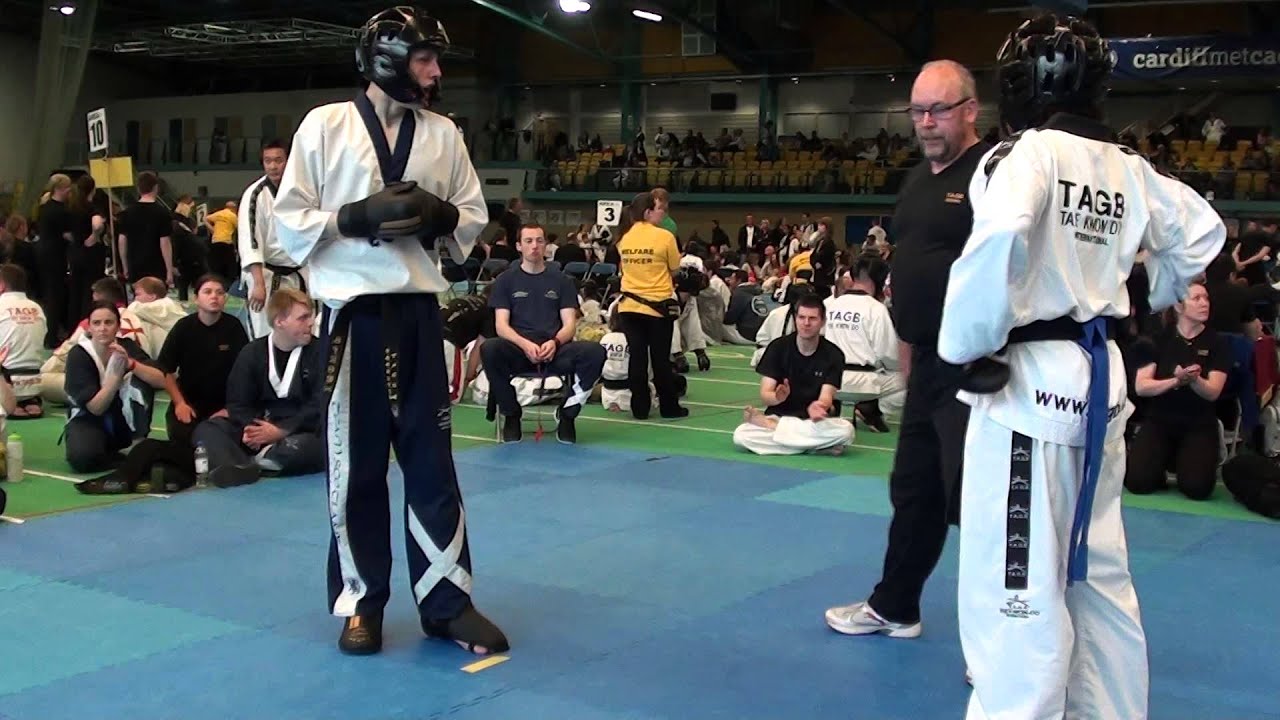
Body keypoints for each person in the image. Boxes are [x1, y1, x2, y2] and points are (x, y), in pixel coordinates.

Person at [936, 15, 1225, 719]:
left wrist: (967, 344)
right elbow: (1202, 233)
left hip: (1032, 385)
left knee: (1019, 587)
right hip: (1102, 381)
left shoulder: (1026, 157)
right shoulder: (1129, 168)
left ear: (1026, 84)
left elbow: (1000, 234)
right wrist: (1140, 297)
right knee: (1096, 574)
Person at [273, 5, 507, 657]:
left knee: (433, 464)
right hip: (353, 320)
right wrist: (350, 218)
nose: (434, 73)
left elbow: (471, 223)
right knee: (357, 470)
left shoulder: (443, 134)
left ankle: (447, 604)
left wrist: (440, 216)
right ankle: (361, 602)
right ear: (388, 61)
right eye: (425, 59)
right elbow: (286, 224)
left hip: (418, 317)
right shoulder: (325, 126)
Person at [825, 59, 988, 641]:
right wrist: (908, 350)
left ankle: (1003, 644)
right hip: (927, 360)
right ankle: (896, 605)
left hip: (980, 369)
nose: (925, 122)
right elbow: (914, 273)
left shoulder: (993, 176)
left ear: (970, 109)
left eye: (937, 109)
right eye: (917, 110)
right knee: (914, 487)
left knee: (982, 504)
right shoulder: (918, 179)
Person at [481, 223, 606, 444]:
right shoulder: (505, 281)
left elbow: (569, 325)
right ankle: (511, 413)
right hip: (518, 350)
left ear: (546, 245)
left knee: (595, 352)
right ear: (519, 246)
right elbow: (501, 325)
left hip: (555, 350)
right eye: (528, 241)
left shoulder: (561, 280)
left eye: (539, 241)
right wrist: (524, 345)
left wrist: (555, 342)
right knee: (489, 349)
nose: (534, 246)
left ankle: (567, 414)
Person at [193, 288, 325, 488]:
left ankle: (250, 462)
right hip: (259, 428)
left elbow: (320, 404)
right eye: (302, 318)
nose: (311, 323)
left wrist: (281, 431)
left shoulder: (321, 353)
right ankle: (240, 465)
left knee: (314, 447)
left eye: (310, 317)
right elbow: (237, 402)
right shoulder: (252, 353)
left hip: (300, 432)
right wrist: (253, 430)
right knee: (208, 428)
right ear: (280, 321)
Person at [1124, 281, 1230, 499]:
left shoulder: (1217, 342)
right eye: (1196, 298)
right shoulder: (1157, 338)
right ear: (1179, 306)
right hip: (1159, 420)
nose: (1204, 304)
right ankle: (1160, 463)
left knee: (1197, 489)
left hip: (1199, 423)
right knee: (1137, 483)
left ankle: (1184, 461)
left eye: (1206, 298)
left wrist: (1194, 380)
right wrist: (1176, 381)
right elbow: (1142, 387)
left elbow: (1213, 392)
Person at [732, 293, 852, 455]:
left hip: (812, 423)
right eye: (801, 317)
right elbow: (765, 395)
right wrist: (777, 397)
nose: (806, 323)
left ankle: (777, 431)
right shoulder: (778, 347)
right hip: (778, 416)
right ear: (795, 319)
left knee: (846, 430)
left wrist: (820, 406)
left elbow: (826, 396)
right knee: (741, 435)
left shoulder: (833, 354)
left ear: (823, 322)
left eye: (812, 318)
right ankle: (812, 447)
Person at [62, 302, 167, 473]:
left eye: (108, 323)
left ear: (118, 326)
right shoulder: (79, 354)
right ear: (89, 328)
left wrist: (131, 364)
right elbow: (96, 408)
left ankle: (137, 440)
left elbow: (161, 380)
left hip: (122, 420)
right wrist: (115, 377)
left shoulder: (127, 347)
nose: (103, 328)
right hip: (88, 419)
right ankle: (111, 453)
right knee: (83, 459)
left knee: (141, 378)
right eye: (97, 323)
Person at [615, 191, 687, 419]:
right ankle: (668, 406)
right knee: (660, 360)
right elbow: (675, 269)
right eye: (659, 210)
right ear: (647, 212)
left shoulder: (623, 239)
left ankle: (639, 407)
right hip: (657, 306)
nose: (662, 214)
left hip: (629, 306)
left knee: (637, 359)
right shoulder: (665, 237)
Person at [157, 275, 249, 452]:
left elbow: (245, 373)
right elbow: (166, 370)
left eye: (219, 293)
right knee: (185, 443)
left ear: (225, 299)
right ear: (196, 298)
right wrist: (179, 403)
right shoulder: (183, 328)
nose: (214, 296)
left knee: (239, 441)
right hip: (190, 405)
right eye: (207, 292)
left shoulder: (234, 327)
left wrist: (231, 409)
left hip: (224, 405)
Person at [822, 256, 905, 431]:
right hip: (864, 383)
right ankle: (874, 408)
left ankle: (838, 404)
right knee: (910, 377)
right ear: (880, 281)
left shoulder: (832, 305)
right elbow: (887, 353)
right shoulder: (876, 308)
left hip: (829, 382)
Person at [239, 140, 306, 339]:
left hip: (298, 272)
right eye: (268, 161)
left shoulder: (301, 189)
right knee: (265, 333)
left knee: (303, 328)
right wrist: (258, 283)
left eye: (278, 160)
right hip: (266, 275)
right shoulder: (255, 194)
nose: (273, 166)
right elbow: (250, 241)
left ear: (289, 161)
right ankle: (266, 370)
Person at [0, 264, 49, 417]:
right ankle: (28, 400)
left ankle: (9, 401)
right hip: (35, 382)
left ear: (1, 285)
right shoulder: (37, 308)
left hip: (6, 383)